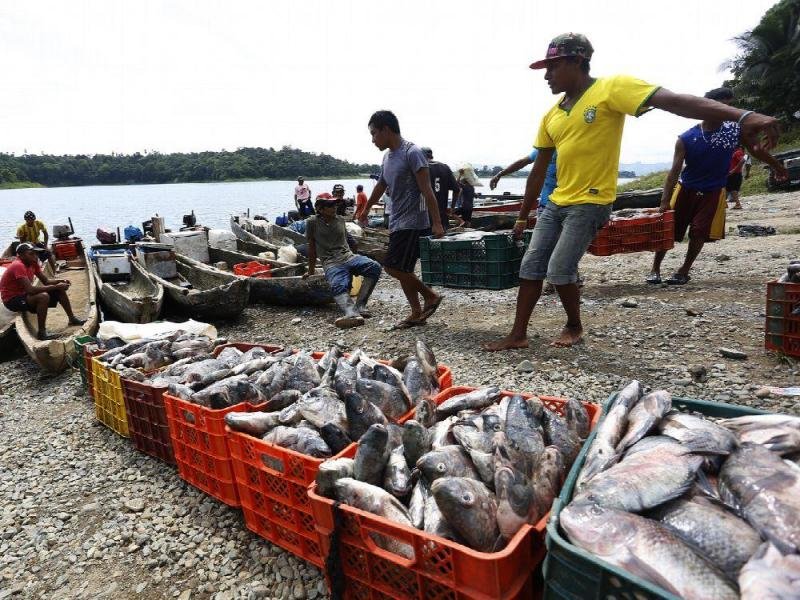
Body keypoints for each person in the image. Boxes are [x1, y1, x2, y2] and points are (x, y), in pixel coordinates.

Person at [484, 32, 783, 352]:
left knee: (559, 270)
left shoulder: (611, 89)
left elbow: (674, 100)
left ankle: (574, 325)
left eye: (553, 66)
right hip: (556, 202)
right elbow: (538, 171)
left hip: (591, 201)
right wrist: (521, 217)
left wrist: (743, 115)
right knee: (530, 266)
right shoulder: (551, 115)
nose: (546, 75)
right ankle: (518, 334)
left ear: (577, 61)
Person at [647, 88, 787, 285]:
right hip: (686, 189)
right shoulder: (686, 138)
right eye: (722, 106)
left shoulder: (734, 131)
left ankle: (683, 270)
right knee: (669, 231)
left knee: (699, 232)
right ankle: (655, 268)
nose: (727, 111)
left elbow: (755, 150)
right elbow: (673, 173)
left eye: (730, 106)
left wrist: (777, 166)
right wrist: (664, 202)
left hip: (713, 191)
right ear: (706, 107)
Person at [356, 110, 445, 329]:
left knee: (393, 267)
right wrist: (366, 210)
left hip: (414, 222)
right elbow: (381, 185)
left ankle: (430, 296)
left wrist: (437, 223)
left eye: (374, 133)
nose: (373, 139)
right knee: (405, 269)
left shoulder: (412, 152)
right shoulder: (387, 156)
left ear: (386, 130)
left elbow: (427, 190)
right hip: (396, 221)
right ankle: (416, 312)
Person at [303, 197, 381, 328]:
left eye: (335, 205)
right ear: (320, 209)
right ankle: (351, 313)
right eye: (330, 205)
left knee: (374, 267)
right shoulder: (312, 222)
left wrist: (355, 259)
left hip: (348, 257)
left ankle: (360, 306)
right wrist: (310, 271)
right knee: (338, 285)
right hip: (331, 262)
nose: (334, 207)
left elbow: (349, 241)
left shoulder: (340, 220)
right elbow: (311, 248)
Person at [0, 243, 85, 340]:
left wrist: (59, 282)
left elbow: (46, 281)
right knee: (43, 297)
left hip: (24, 295)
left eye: (35, 254)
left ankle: (72, 319)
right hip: (12, 300)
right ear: (21, 255)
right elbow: (31, 290)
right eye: (31, 254)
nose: (35, 256)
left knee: (59, 289)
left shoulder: (33, 263)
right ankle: (42, 332)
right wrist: (56, 286)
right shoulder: (18, 266)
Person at [490, 150, 558, 217]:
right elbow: (522, 162)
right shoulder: (545, 148)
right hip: (545, 206)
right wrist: (500, 174)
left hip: (567, 206)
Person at [421, 147, 460, 231]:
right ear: (431, 156)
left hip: (424, 217)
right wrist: (452, 208)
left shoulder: (421, 169)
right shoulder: (445, 167)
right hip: (442, 217)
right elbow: (457, 190)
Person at [727, 145, 746, 209]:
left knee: (732, 189)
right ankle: (725, 204)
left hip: (734, 174)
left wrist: (733, 170)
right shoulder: (736, 152)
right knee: (729, 189)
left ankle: (738, 204)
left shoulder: (737, 152)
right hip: (735, 173)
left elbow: (742, 160)